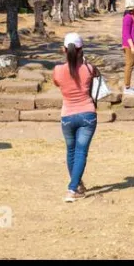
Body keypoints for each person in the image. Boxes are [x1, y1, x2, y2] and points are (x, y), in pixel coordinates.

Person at [51, 32, 99, 202]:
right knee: (81, 152)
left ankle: (76, 185)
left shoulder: (57, 70)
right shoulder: (89, 69)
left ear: (63, 50)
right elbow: (96, 75)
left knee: (71, 151)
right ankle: (72, 188)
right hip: (87, 114)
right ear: (81, 50)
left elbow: (57, 82)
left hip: (67, 115)